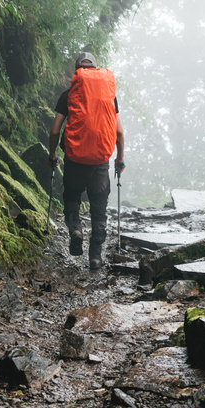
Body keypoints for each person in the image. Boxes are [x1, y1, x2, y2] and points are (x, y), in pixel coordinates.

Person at [48, 52, 125, 270]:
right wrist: (119, 159)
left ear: (77, 72)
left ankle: (75, 230)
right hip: (100, 162)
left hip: (74, 159)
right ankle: (95, 257)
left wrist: (52, 154)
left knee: (72, 196)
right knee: (99, 209)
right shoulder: (110, 95)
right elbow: (119, 132)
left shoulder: (69, 94)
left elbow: (55, 130)